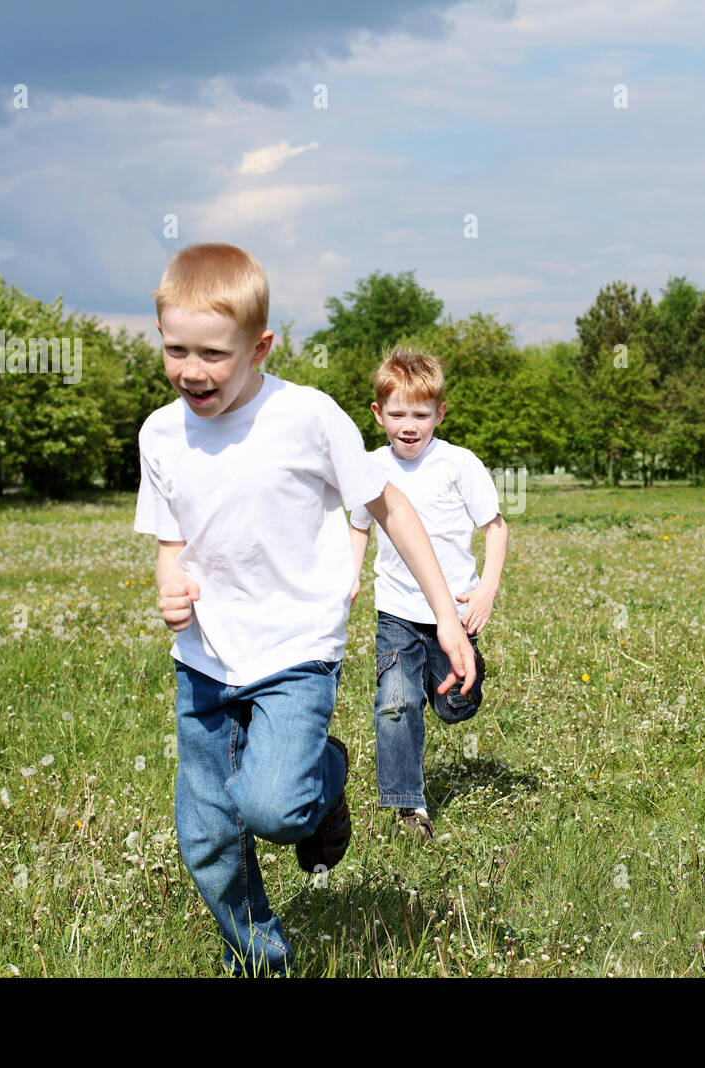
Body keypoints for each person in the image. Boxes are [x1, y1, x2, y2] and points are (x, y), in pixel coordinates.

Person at [133, 244, 476, 976]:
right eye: (175, 349)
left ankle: (326, 773)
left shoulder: (306, 417)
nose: (192, 371)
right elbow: (172, 541)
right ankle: (260, 962)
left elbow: (394, 511)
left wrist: (446, 618)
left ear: (260, 347)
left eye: (213, 354)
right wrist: (170, 583)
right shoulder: (161, 435)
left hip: (295, 652)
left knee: (275, 808)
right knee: (207, 837)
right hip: (202, 660)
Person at [348, 347, 508, 840]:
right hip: (396, 609)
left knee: (455, 704)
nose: (409, 425)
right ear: (378, 414)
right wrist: (350, 578)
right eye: (397, 414)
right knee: (395, 701)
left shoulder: (459, 464)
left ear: (440, 413)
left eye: (421, 414)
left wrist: (486, 590)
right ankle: (409, 809)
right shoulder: (370, 468)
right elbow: (358, 527)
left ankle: (461, 684)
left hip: (455, 612)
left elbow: (496, 527)